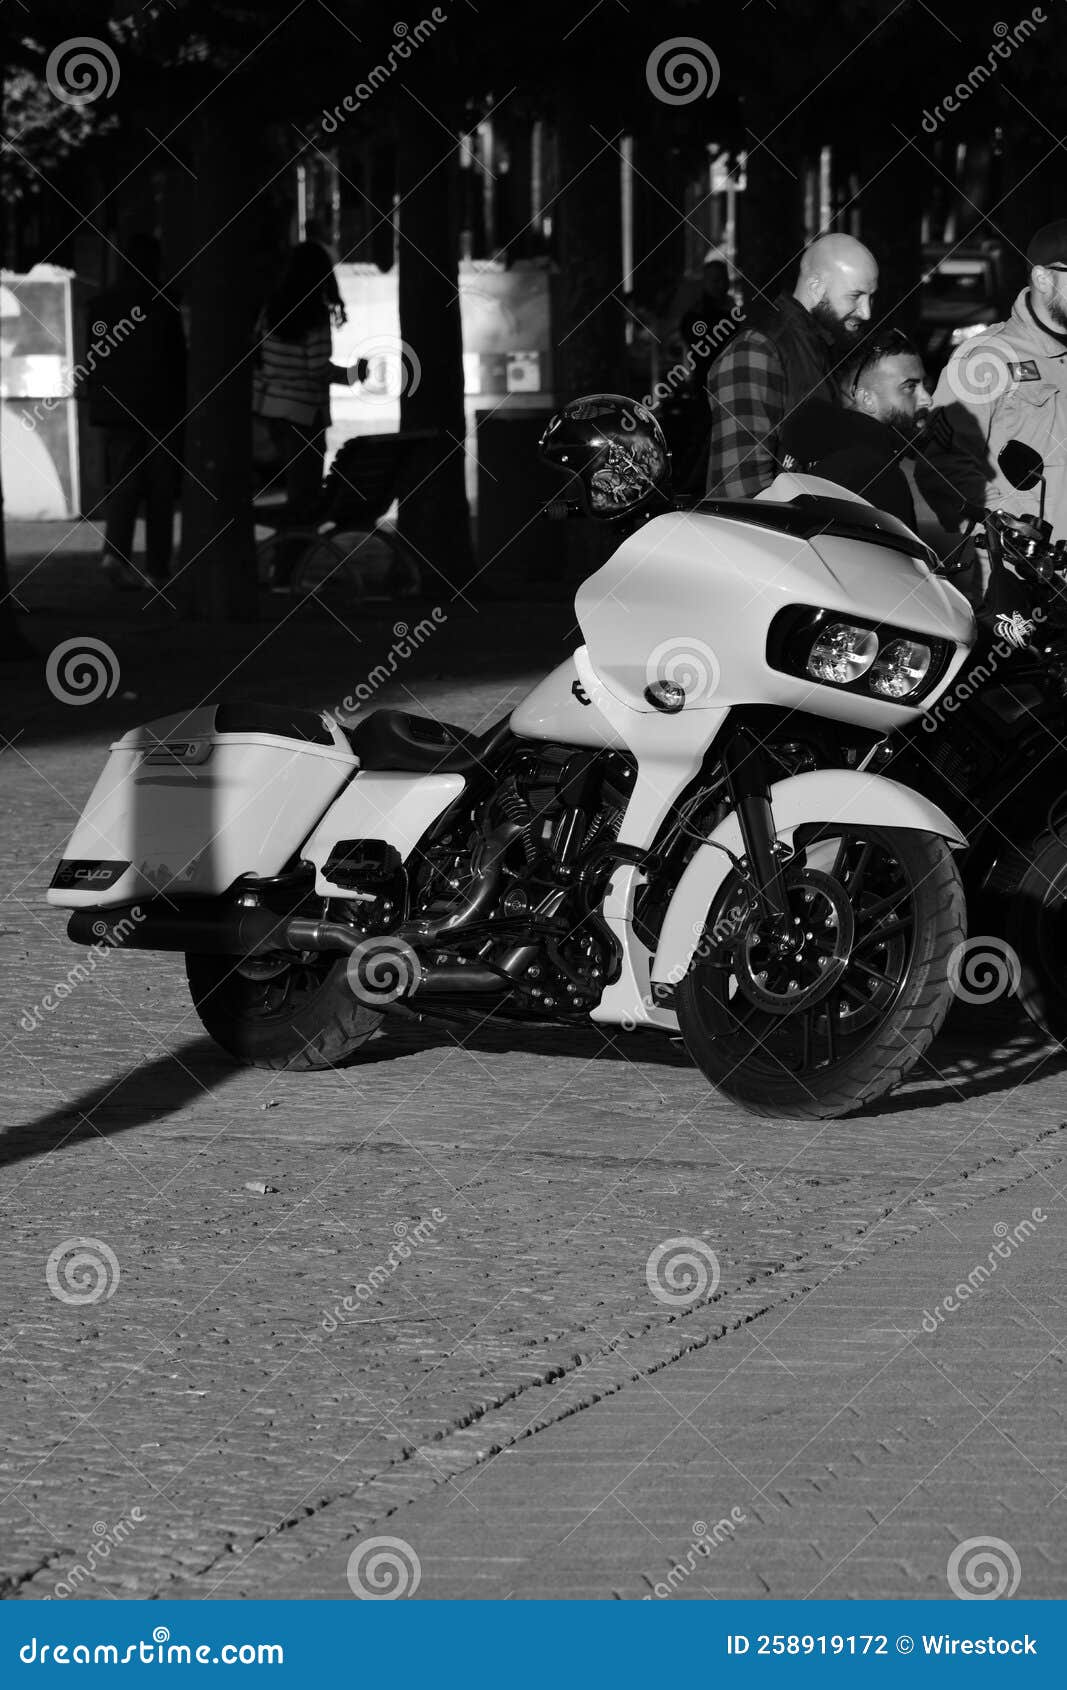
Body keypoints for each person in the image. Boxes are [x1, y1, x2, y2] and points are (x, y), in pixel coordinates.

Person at [917, 219, 1067, 546]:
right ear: (1042, 278)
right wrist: (1008, 530)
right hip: (1019, 568)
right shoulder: (986, 357)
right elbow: (943, 467)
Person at [704, 233, 879, 497]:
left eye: (871, 297)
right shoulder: (758, 350)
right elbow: (742, 492)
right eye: (855, 296)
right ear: (816, 287)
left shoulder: (828, 346)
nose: (867, 312)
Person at [86, 233, 186, 590]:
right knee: (161, 488)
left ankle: (115, 553)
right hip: (161, 407)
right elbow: (177, 359)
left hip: (117, 408)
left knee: (124, 481)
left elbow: (95, 359)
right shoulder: (164, 303)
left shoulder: (101, 304)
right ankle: (157, 568)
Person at [252, 241, 366, 527]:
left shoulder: (270, 310)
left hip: (271, 411)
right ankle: (296, 545)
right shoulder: (314, 317)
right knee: (306, 495)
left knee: (296, 492)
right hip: (304, 416)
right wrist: (355, 374)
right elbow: (318, 370)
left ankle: (289, 546)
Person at [780, 328, 932, 526]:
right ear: (867, 399)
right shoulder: (875, 475)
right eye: (910, 387)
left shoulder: (825, 459)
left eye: (925, 385)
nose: (927, 399)